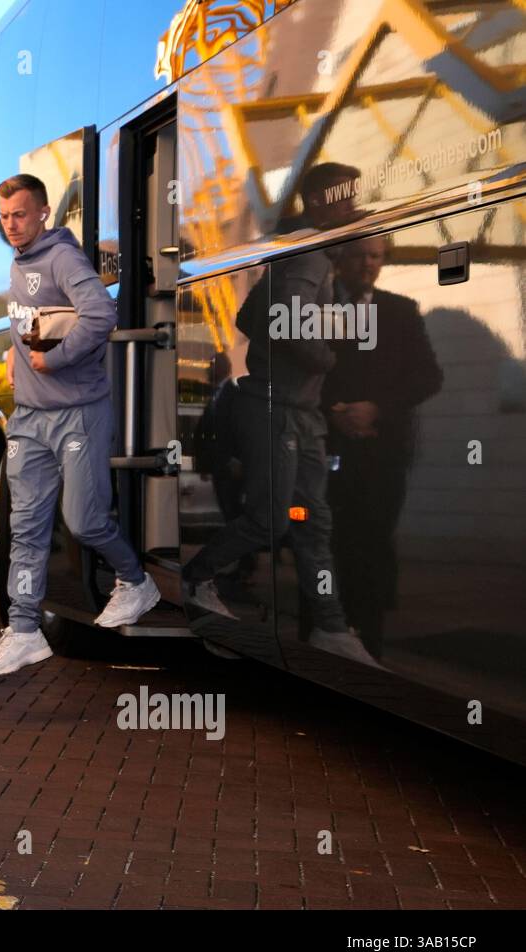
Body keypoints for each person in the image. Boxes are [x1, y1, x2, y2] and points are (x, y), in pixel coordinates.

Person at [182, 162, 378, 666]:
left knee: (313, 521)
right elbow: (288, 325)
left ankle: (331, 628)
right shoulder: (311, 257)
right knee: (272, 521)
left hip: (298, 409)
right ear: (318, 202)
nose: (353, 207)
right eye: (345, 199)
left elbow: (250, 316)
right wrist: (327, 358)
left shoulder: (299, 257)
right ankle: (197, 577)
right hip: (278, 409)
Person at [0, 174, 160, 678]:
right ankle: (22, 630)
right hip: (30, 418)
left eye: (19, 215)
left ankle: (135, 581)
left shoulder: (63, 257)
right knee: (26, 528)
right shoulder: (19, 263)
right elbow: (32, 319)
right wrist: (14, 354)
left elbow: (100, 314)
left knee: (84, 521)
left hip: (78, 411)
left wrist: (55, 360)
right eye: (4, 218)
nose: (11, 225)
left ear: (42, 213)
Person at [322, 236, 442, 659]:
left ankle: (367, 643)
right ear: (340, 258)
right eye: (359, 255)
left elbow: (428, 377)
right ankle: (323, 633)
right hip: (323, 451)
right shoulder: (313, 308)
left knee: (372, 544)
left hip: (381, 454)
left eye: (376, 256)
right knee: (325, 544)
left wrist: (376, 410)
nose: (368, 264)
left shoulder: (400, 310)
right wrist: (331, 413)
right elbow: (287, 372)